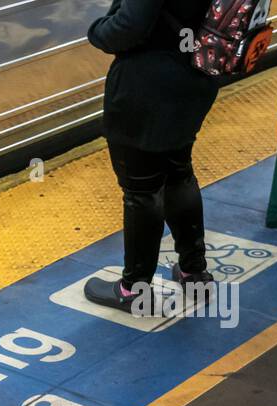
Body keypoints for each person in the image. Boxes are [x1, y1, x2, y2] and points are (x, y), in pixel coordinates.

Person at [85, 0, 219, 314]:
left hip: (147, 87)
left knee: (141, 190)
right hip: (196, 76)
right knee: (178, 172)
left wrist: (96, 31)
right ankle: (194, 272)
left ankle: (134, 290)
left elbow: (128, 26)